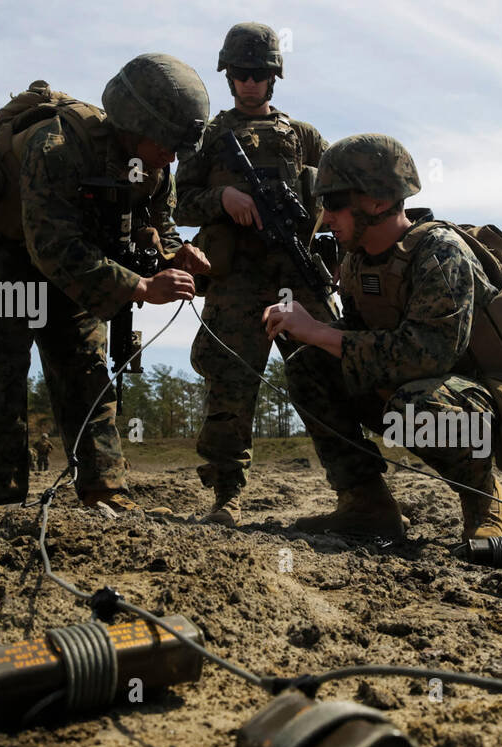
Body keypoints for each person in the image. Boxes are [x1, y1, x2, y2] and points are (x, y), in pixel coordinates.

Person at [0, 54, 211, 511]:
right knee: (1, 372)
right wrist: (140, 287)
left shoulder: (155, 167)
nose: (173, 156)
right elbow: (51, 247)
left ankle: (103, 492)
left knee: (86, 369)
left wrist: (174, 255)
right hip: (2, 254)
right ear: (135, 124)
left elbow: (159, 224)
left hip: (79, 259)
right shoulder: (57, 148)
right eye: (167, 142)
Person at [262, 134, 502, 541]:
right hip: (404, 391)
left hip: (473, 404)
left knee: (419, 402)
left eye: (335, 204)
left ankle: (484, 497)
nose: (325, 218)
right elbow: (366, 338)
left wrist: (321, 331)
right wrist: (309, 330)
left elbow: (426, 355)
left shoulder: (439, 253)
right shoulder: (357, 260)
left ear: (377, 202)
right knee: (308, 365)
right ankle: (366, 504)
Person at [175, 22, 331, 527]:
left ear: (274, 77)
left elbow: (336, 198)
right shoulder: (209, 139)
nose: (248, 83)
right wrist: (221, 198)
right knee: (230, 388)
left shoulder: (303, 137)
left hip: (296, 277)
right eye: (240, 74)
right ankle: (226, 494)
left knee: (324, 377)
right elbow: (176, 204)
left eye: (258, 74)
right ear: (228, 75)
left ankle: (359, 493)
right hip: (236, 280)